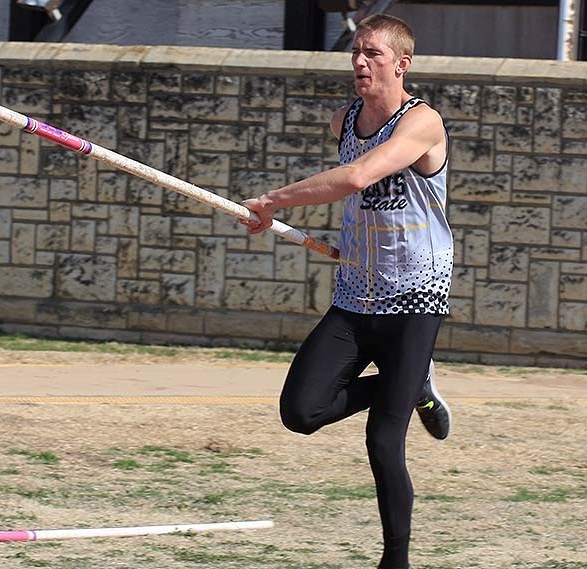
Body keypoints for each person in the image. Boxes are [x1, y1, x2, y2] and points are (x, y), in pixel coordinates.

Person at [239, 13, 452, 569]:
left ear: (401, 64)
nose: (360, 61)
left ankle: (395, 562)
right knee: (301, 411)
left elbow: (358, 178)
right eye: (356, 52)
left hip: (416, 294)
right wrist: (274, 212)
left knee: (384, 444)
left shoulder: (423, 123)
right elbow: (350, 182)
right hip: (356, 291)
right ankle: (412, 387)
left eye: (373, 54)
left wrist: (274, 201)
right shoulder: (345, 120)